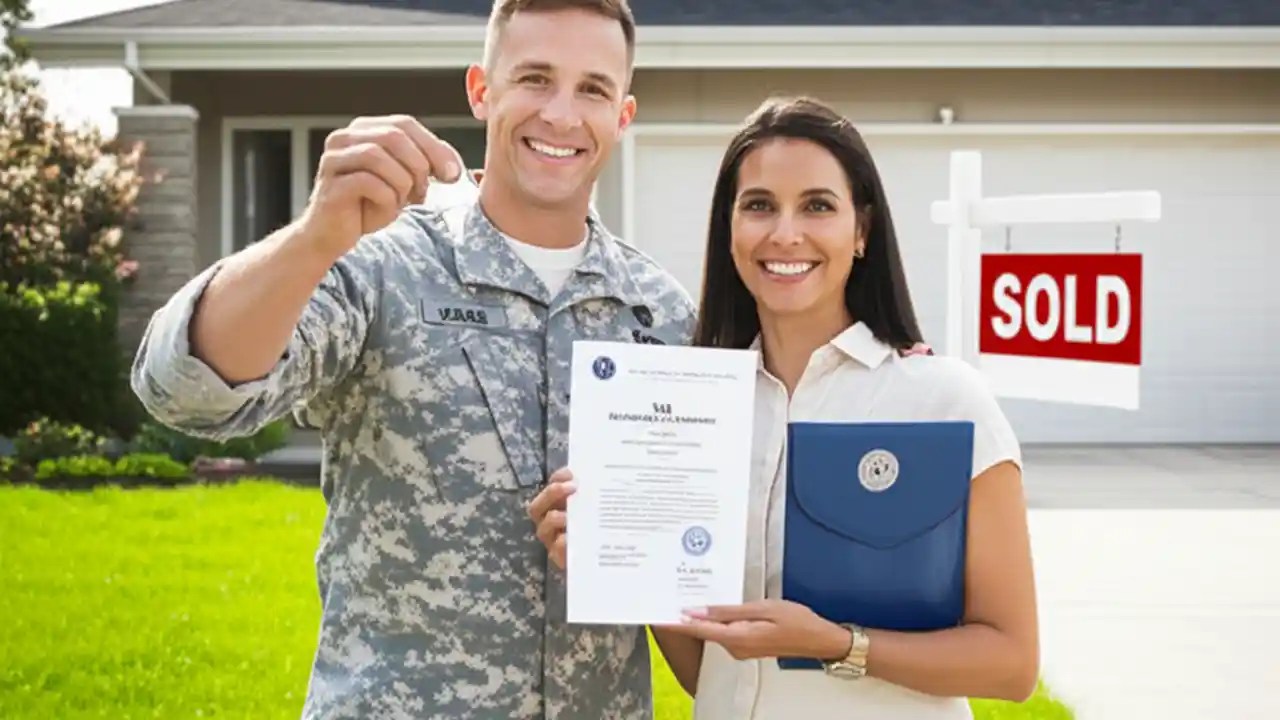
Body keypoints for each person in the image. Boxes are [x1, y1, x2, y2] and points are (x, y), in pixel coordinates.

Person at [129, 1, 697, 718]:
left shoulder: (663, 315)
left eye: (592, 89)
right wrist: (314, 236)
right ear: (481, 90)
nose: (561, 113)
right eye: (534, 78)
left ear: (624, 113)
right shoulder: (379, 266)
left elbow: (690, 576)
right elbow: (183, 392)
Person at [528, 95, 1039, 719]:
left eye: (818, 206)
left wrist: (834, 644)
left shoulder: (945, 401)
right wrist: (622, 554)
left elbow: (1012, 663)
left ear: (861, 232)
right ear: (731, 230)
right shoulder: (692, 411)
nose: (785, 233)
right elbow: (708, 674)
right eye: (759, 206)